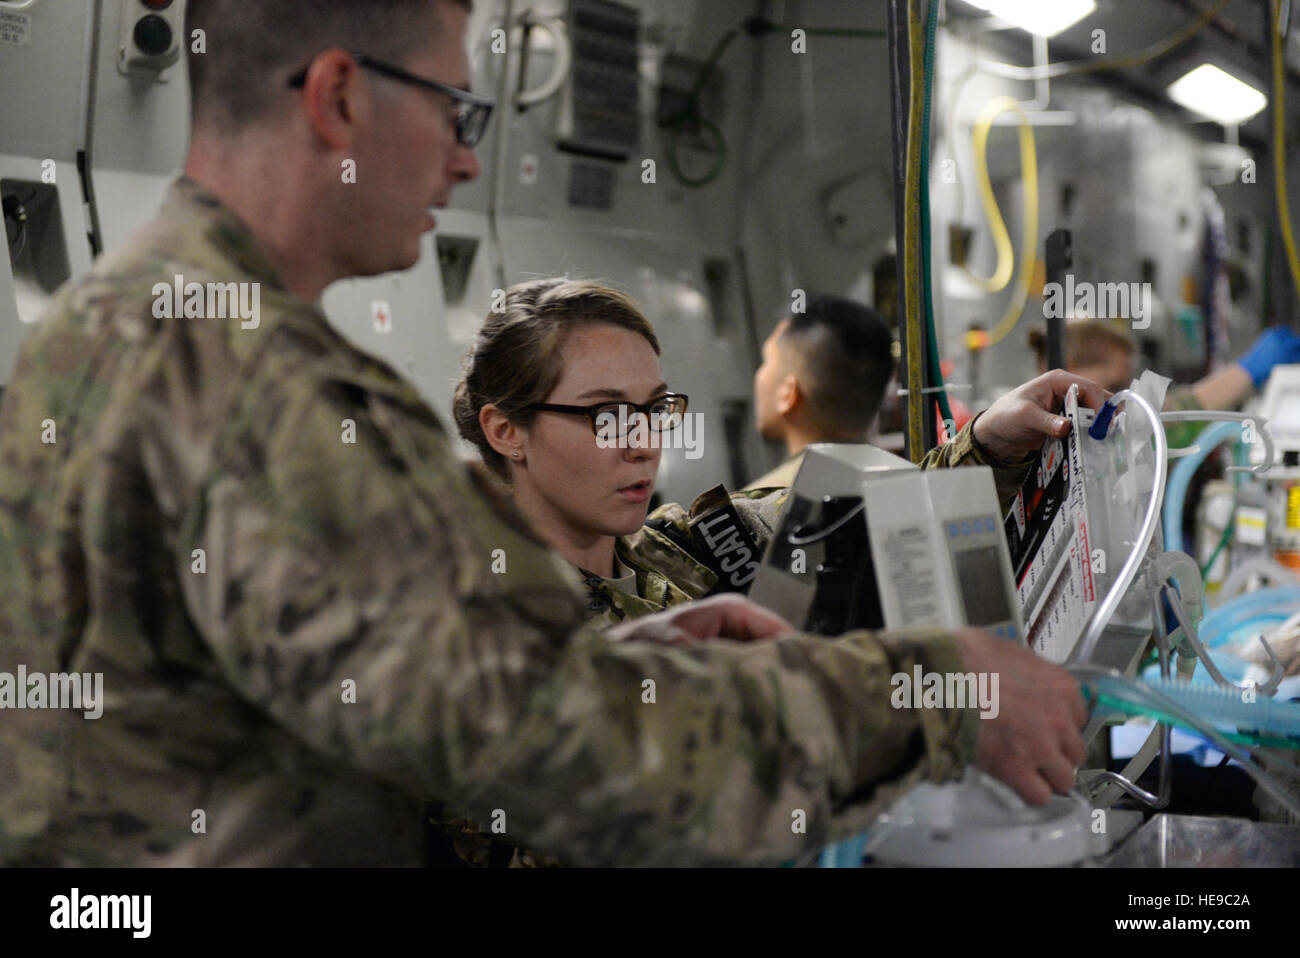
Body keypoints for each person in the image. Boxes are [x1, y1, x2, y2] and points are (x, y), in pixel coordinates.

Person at [0, 0, 1088, 867]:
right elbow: (564, 752)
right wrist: (937, 693)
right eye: (454, 112)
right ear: (337, 97)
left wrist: (605, 658)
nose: (468, 161)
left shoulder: (114, 318)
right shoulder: (260, 388)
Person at [454, 277, 788, 627]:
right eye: (609, 415)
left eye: (656, 409)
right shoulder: (495, 621)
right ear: (505, 431)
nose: (645, 446)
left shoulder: (681, 554)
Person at [747, 295, 895, 490]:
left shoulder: (753, 509)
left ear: (788, 394)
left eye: (766, 361)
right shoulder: (912, 484)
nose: (760, 374)